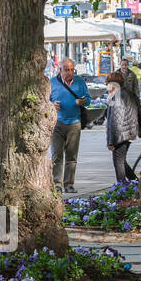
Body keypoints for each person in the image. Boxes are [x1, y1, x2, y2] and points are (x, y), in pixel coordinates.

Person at [49, 58, 90, 193]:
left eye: (72, 70)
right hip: (57, 123)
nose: (70, 73)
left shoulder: (79, 82)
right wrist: (51, 105)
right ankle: (57, 184)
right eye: (67, 70)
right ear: (60, 70)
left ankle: (69, 184)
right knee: (56, 155)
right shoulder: (52, 82)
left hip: (74, 123)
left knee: (72, 156)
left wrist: (82, 101)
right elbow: (44, 101)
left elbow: (88, 99)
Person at [105, 71, 140, 183]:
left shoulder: (117, 97)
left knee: (118, 160)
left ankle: (122, 185)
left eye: (108, 83)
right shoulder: (128, 93)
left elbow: (115, 121)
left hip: (121, 134)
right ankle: (134, 181)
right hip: (129, 131)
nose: (107, 86)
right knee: (122, 159)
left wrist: (111, 142)